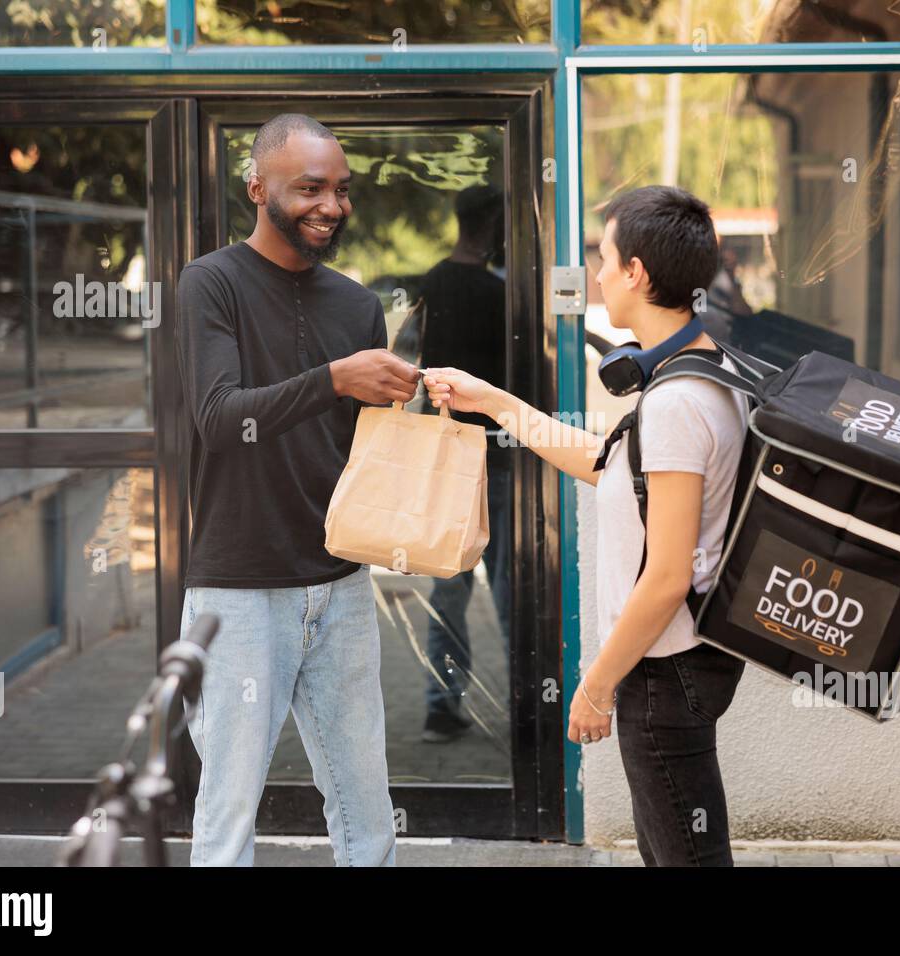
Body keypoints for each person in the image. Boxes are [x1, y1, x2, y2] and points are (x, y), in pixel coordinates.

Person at [423, 185, 750, 866]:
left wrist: (597, 685)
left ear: (636, 273)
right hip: (680, 664)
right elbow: (608, 465)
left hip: (664, 670)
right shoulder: (702, 372)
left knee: (684, 857)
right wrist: (492, 400)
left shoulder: (677, 403)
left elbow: (664, 578)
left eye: (605, 258)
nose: (596, 274)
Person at [174, 113, 419, 866]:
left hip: (341, 583)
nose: (331, 205)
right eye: (309, 187)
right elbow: (220, 419)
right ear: (257, 188)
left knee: (365, 807)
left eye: (341, 190)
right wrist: (335, 379)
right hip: (241, 590)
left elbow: (354, 448)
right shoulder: (209, 284)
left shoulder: (356, 305)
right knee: (227, 814)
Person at [414, 185, 512, 743]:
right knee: (511, 591)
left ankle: (440, 708)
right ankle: (531, 702)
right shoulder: (499, 293)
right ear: (489, 223)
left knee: (449, 592)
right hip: (497, 458)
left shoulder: (432, 282)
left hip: (447, 455)